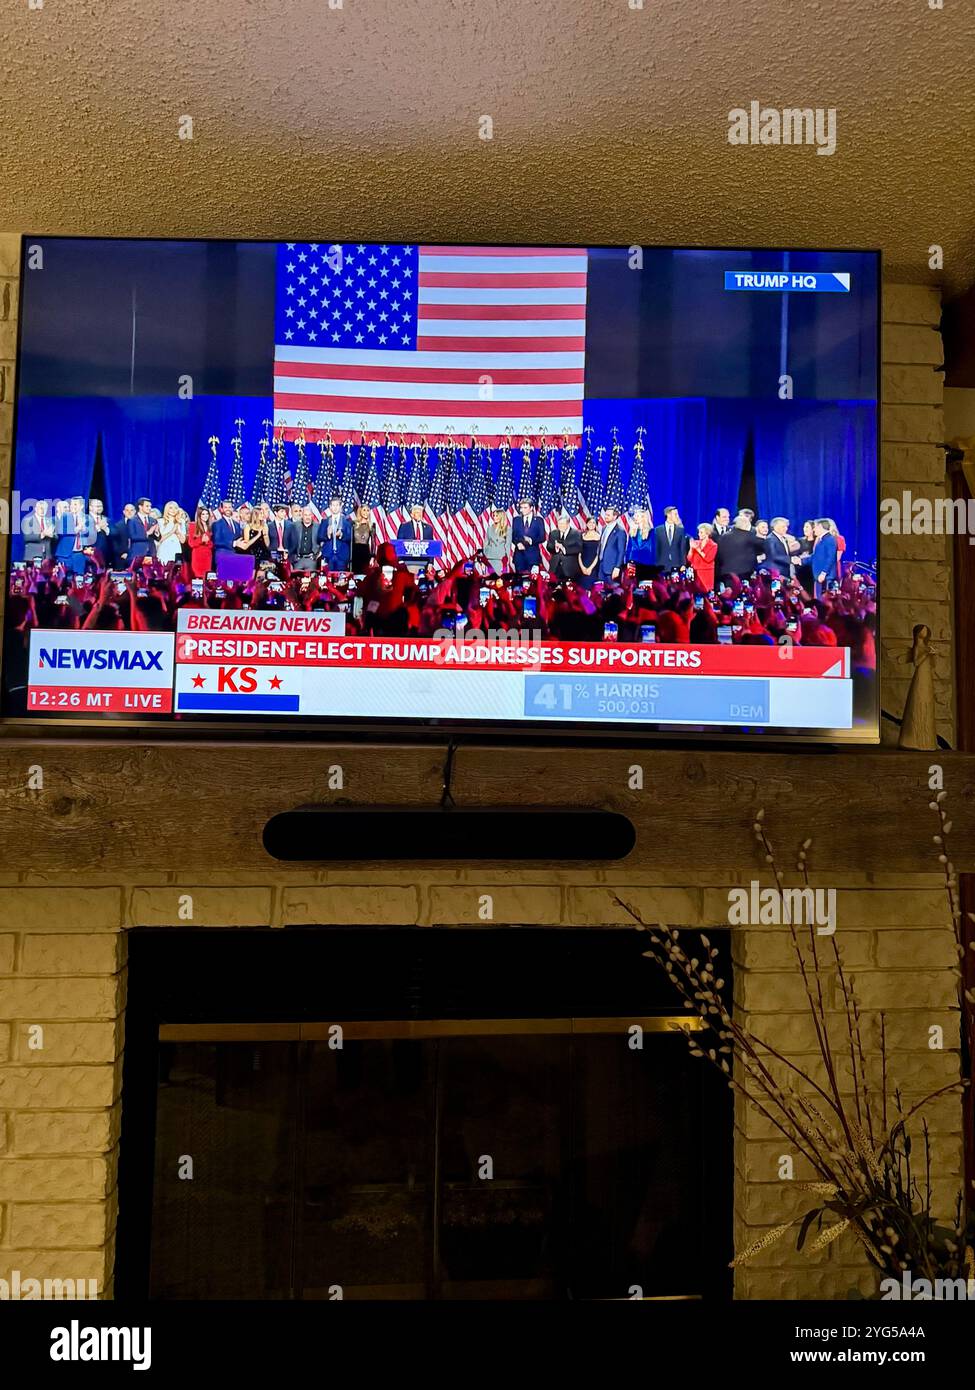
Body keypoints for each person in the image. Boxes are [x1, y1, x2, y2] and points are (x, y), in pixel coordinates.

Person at [715, 512, 765, 581]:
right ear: (746, 525)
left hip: (726, 573)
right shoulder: (749, 535)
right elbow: (763, 546)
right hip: (744, 573)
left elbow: (719, 555)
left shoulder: (723, 536)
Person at [546, 511, 583, 581]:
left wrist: (564, 549)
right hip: (555, 567)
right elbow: (549, 547)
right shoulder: (553, 533)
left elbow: (579, 548)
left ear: (568, 524)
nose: (560, 526)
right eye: (559, 524)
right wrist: (555, 548)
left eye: (563, 524)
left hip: (569, 568)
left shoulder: (576, 534)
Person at [319, 496, 353, 571]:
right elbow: (320, 537)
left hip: (341, 555)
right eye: (333, 505)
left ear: (340, 507)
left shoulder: (346, 522)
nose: (335, 507)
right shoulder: (325, 521)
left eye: (337, 505)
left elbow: (350, 537)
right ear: (330, 507)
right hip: (329, 555)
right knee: (328, 578)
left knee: (341, 579)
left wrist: (341, 535)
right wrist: (327, 534)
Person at [511, 499, 545, 573]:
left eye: (525, 507)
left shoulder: (539, 520)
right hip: (519, 556)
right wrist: (517, 543)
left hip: (533, 556)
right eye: (521, 507)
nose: (522, 510)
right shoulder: (516, 520)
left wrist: (531, 541)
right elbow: (513, 536)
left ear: (531, 508)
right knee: (519, 580)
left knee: (533, 581)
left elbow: (542, 537)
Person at [596, 505, 627, 583]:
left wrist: (617, 567)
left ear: (615, 516)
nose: (605, 517)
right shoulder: (604, 528)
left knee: (613, 592)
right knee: (600, 592)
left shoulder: (620, 531)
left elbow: (621, 551)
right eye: (605, 515)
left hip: (612, 568)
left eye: (608, 515)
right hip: (601, 566)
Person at [809, 518, 839, 597]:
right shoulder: (821, 540)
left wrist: (823, 573)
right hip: (819, 576)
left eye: (815, 527)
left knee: (825, 601)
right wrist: (800, 560)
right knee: (819, 600)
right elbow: (815, 557)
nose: (814, 529)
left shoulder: (830, 539)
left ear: (820, 527)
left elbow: (830, 558)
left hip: (825, 577)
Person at [653, 505, 688, 570]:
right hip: (661, 564)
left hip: (676, 564)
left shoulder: (680, 530)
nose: (677, 516)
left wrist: (683, 564)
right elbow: (656, 548)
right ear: (668, 515)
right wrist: (655, 564)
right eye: (675, 514)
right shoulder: (658, 530)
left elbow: (682, 548)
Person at [625, 506, 655, 579]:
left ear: (643, 518)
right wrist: (628, 562)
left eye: (637, 516)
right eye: (635, 515)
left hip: (646, 562)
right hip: (633, 563)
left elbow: (654, 549)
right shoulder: (632, 532)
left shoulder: (651, 532)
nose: (635, 517)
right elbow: (629, 549)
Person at [687, 522, 717, 591]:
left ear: (707, 533)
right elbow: (689, 559)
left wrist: (697, 549)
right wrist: (691, 548)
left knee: (706, 593)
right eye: (699, 532)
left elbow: (708, 559)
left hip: (706, 573)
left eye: (701, 532)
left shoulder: (713, 545)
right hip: (696, 572)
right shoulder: (696, 543)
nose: (699, 534)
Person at [22, 499, 55, 564]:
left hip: (47, 556)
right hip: (32, 556)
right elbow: (26, 537)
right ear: (36, 509)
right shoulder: (28, 520)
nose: (43, 510)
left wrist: (52, 535)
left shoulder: (50, 521)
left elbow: (56, 537)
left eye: (45, 509)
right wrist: (41, 535)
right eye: (41, 508)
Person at [289, 506, 321, 572]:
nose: (307, 517)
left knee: (310, 580)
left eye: (309, 515)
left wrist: (317, 555)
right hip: (297, 559)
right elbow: (290, 541)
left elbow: (322, 542)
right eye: (305, 515)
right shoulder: (295, 526)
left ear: (312, 515)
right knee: (296, 580)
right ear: (302, 516)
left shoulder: (318, 526)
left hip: (311, 560)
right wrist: (292, 557)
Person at [155, 501, 186, 565]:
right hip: (164, 548)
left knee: (175, 570)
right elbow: (159, 539)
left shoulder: (181, 522)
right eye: (171, 508)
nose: (173, 510)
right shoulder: (160, 521)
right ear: (166, 509)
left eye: (175, 508)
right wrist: (172, 531)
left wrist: (177, 532)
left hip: (176, 548)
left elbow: (183, 540)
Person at [482, 508, 512, 575]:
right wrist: (485, 556)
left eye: (496, 516)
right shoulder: (489, 528)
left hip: (501, 558)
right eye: (494, 515)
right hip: (490, 557)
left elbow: (508, 545)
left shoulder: (508, 529)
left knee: (500, 580)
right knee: (489, 580)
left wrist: (507, 560)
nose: (494, 517)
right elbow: (486, 543)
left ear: (501, 517)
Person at [188, 506, 213, 579]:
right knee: (198, 577)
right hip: (198, 555)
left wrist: (208, 542)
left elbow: (211, 544)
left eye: (207, 514)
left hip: (207, 556)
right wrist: (201, 540)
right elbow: (191, 543)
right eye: (203, 514)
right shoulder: (193, 526)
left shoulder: (210, 527)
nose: (205, 516)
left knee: (206, 577)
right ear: (199, 515)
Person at [577, 514, 602, 589]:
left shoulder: (599, 537)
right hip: (582, 565)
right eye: (589, 522)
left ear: (596, 525)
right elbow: (579, 553)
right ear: (587, 524)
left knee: (591, 588)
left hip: (593, 566)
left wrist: (590, 568)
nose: (591, 524)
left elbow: (598, 554)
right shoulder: (582, 535)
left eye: (593, 522)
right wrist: (582, 567)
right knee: (581, 589)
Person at [351, 504, 376, 572]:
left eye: (368, 510)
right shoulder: (353, 524)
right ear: (360, 511)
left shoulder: (371, 526)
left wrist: (372, 557)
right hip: (354, 552)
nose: (366, 512)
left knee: (364, 574)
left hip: (365, 552)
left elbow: (374, 543)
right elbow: (350, 541)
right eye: (364, 510)